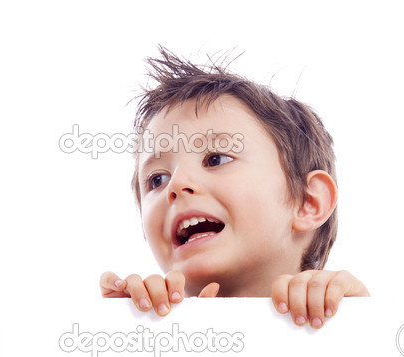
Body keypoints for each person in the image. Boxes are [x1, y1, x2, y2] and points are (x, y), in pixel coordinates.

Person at [100, 47, 368, 328]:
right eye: (157, 179)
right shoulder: (143, 326)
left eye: (215, 159)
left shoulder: (347, 315)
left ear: (309, 201)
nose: (176, 184)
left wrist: (362, 320)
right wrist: (117, 325)